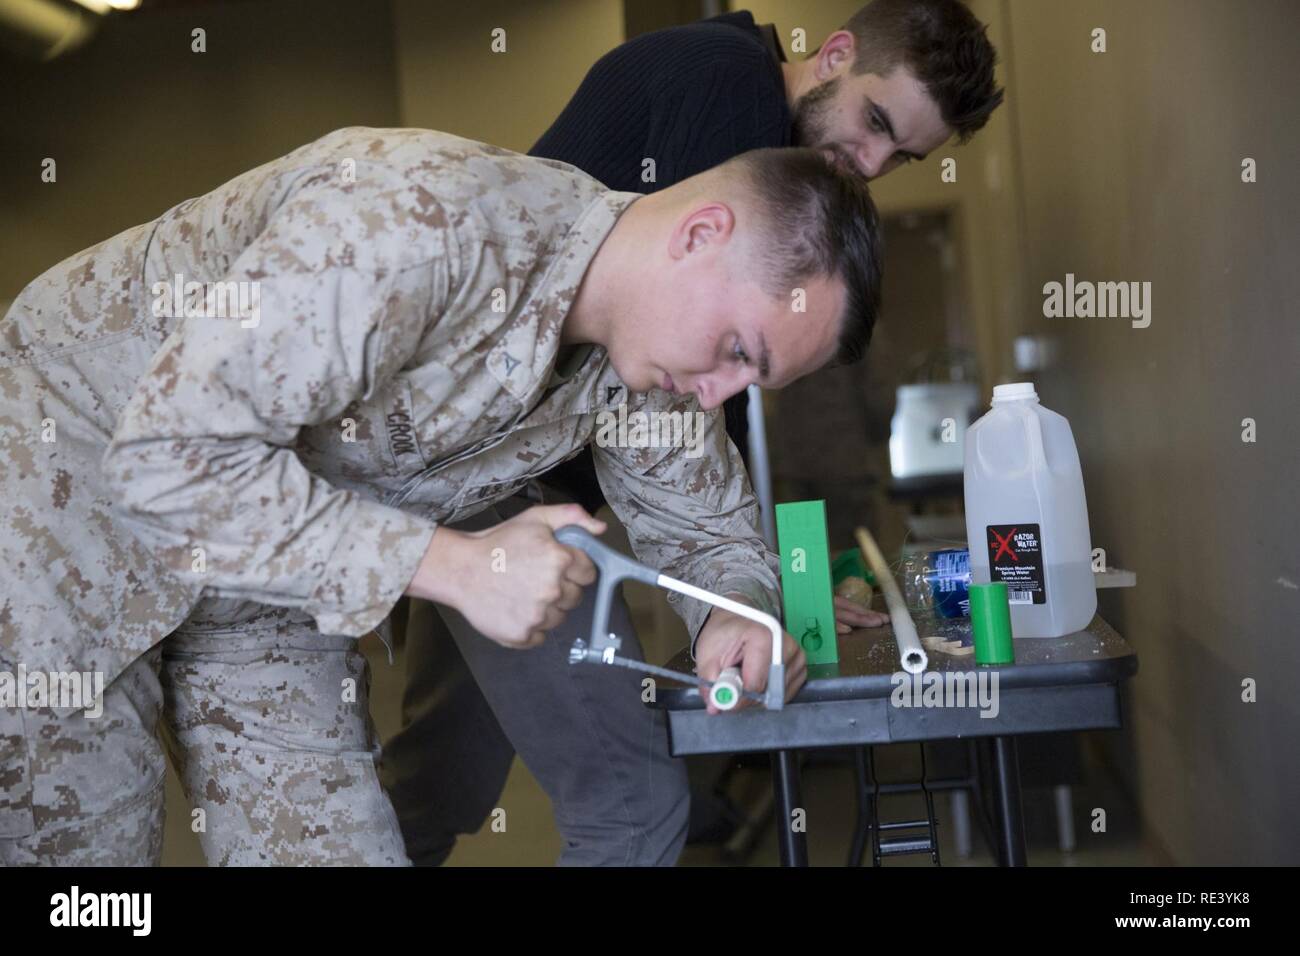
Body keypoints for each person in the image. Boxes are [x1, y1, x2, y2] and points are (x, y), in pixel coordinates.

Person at [0, 125, 881, 864]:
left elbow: (711, 535)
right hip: (67, 501)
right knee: (87, 872)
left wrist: (737, 614)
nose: (721, 393)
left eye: (750, 383)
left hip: (268, 577)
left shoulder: (653, 370)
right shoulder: (420, 223)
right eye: (738, 350)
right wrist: (454, 565)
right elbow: (169, 455)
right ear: (700, 234)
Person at [384, 0, 1003, 865]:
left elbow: (680, 426)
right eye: (874, 122)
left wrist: (747, 601)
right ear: (834, 54)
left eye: (901, 155)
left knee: (441, 772)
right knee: (626, 805)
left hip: (504, 480)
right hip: (504, 484)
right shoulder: (730, 96)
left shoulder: (734, 98)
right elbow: (668, 411)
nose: (870, 163)